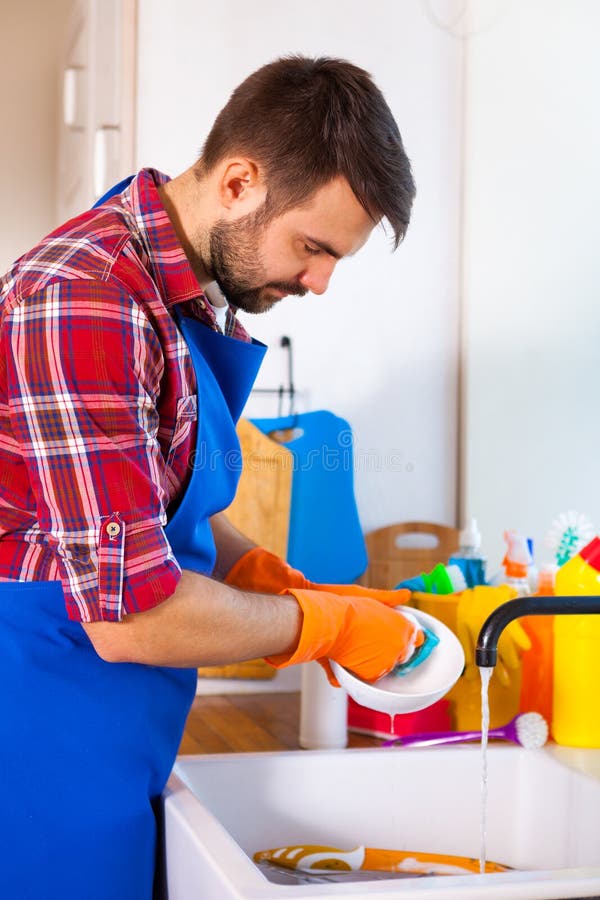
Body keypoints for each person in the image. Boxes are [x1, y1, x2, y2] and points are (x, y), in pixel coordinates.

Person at [0, 56, 421, 899]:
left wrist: (260, 570)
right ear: (239, 182)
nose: (320, 282)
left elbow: (154, 503)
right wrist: (323, 625)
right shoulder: (83, 299)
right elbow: (132, 616)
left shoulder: (187, 292)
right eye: (313, 246)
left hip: (111, 712)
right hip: (40, 710)